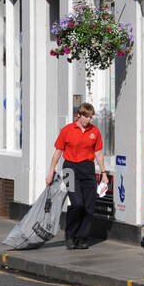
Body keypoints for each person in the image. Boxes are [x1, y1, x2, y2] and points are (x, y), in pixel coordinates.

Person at [46, 103, 105, 250]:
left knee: (89, 205)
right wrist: (51, 171)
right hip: (70, 169)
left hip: (88, 169)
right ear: (79, 115)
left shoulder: (95, 131)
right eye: (86, 116)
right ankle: (70, 234)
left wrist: (103, 173)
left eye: (91, 117)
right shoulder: (67, 130)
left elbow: (98, 153)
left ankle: (82, 237)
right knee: (77, 203)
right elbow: (58, 152)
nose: (88, 120)